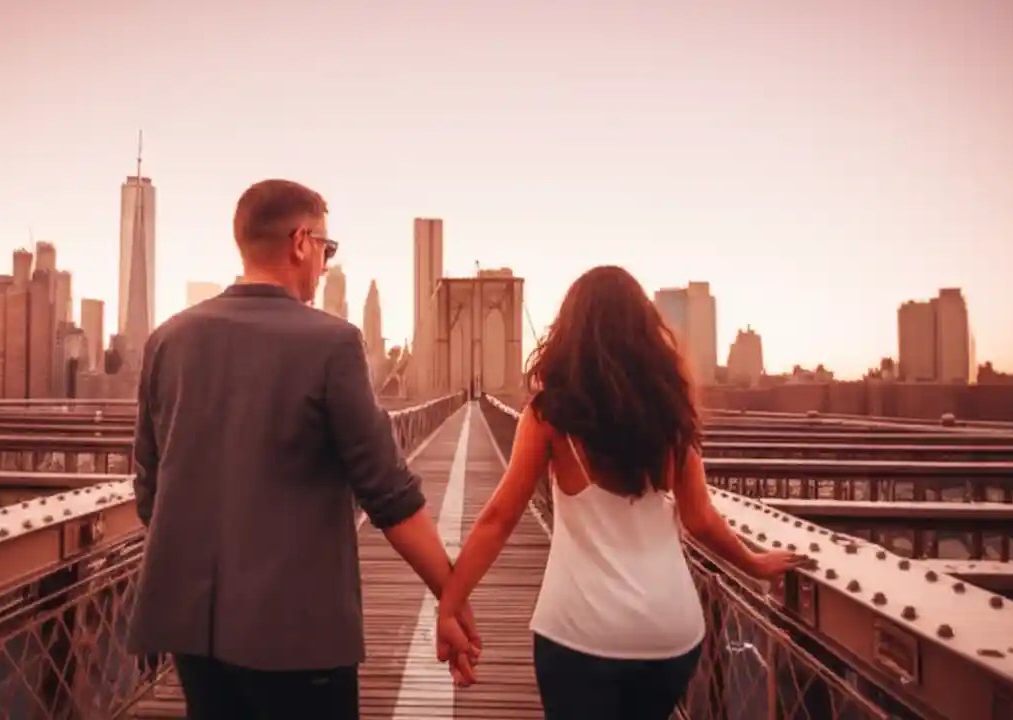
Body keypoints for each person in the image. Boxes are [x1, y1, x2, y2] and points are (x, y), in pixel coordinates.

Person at [127, 179, 480, 719]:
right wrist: (450, 597)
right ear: (300, 242)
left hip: (193, 631)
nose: (325, 263)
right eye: (326, 248)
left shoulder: (168, 340)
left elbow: (150, 490)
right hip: (298, 635)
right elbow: (388, 492)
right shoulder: (332, 342)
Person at [435, 265, 803, 720]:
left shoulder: (550, 415)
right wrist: (753, 562)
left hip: (578, 637)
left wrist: (450, 604)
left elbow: (500, 518)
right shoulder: (672, 414)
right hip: (668, 638)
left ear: (569, 332)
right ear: (646, 333)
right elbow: (700, 518)